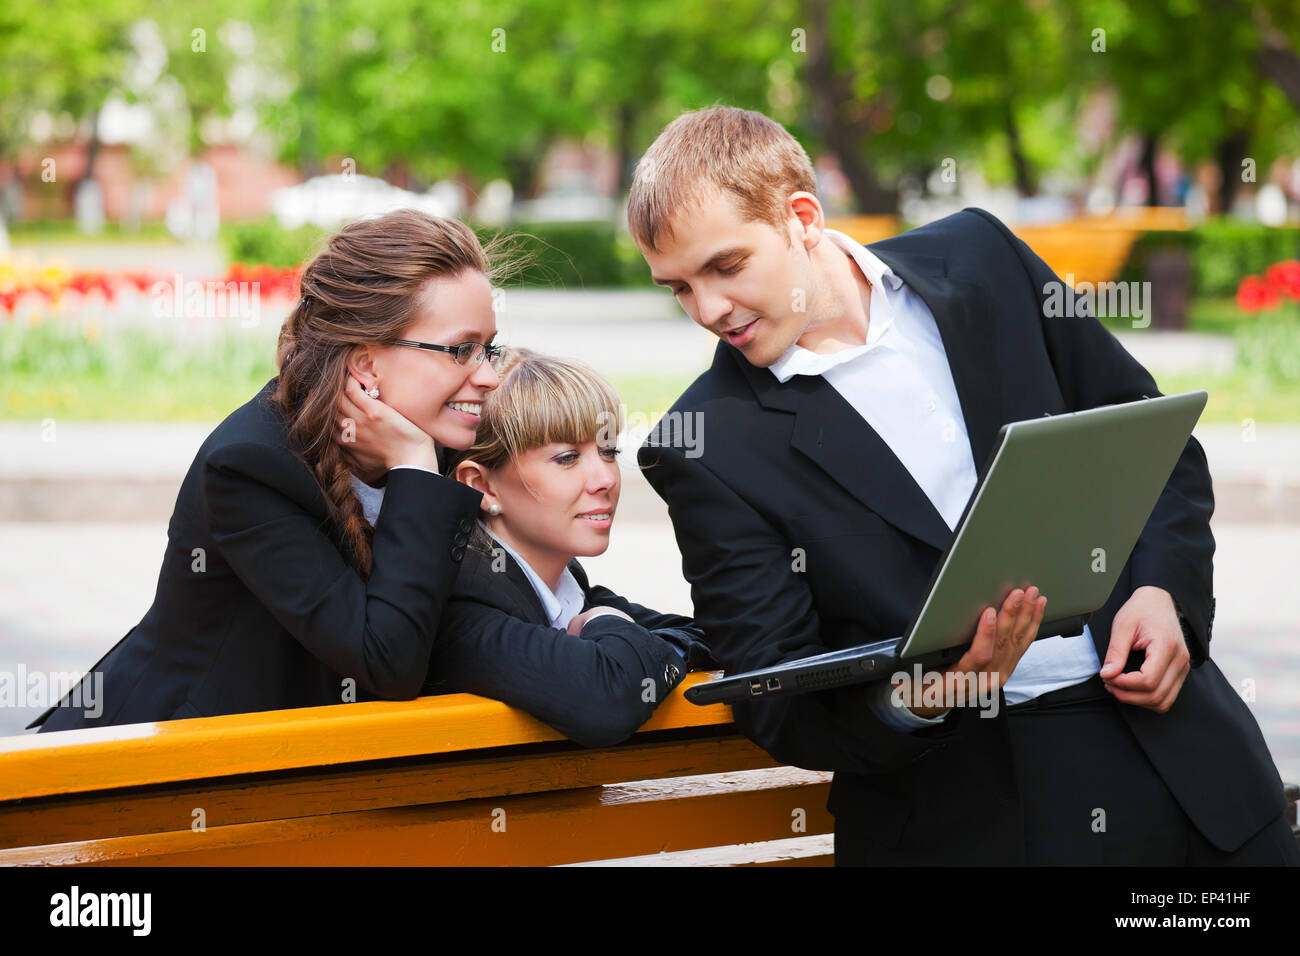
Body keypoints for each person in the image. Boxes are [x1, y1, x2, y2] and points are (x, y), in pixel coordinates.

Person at [628, 106, 1298, 865]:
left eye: (725, 266)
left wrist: (1163, 594)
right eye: (678, 288)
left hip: (1185, 764)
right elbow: (778, 702)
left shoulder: (983, 258)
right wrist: (929, 697)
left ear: (802, 218)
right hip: (976, 813)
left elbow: (1153, 441)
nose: (707, 310)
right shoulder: (706, 444)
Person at [31, 209, 502, 731]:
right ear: (366, 364)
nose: (489, 376)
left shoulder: (453, 441)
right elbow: (387, 662)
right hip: (159, 768)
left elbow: (536, 582)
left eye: (490, 348)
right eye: (462, 350)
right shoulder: (250, 467)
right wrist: (413, 467)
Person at [422, 348, 714, 748]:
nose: (604, 479)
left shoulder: (563, 583)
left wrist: (626, 639)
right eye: (567, 458)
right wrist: (608, 625)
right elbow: (607, 700)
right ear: (482, 486)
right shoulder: (461, 603)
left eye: (608, 452)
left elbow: (705, 635)